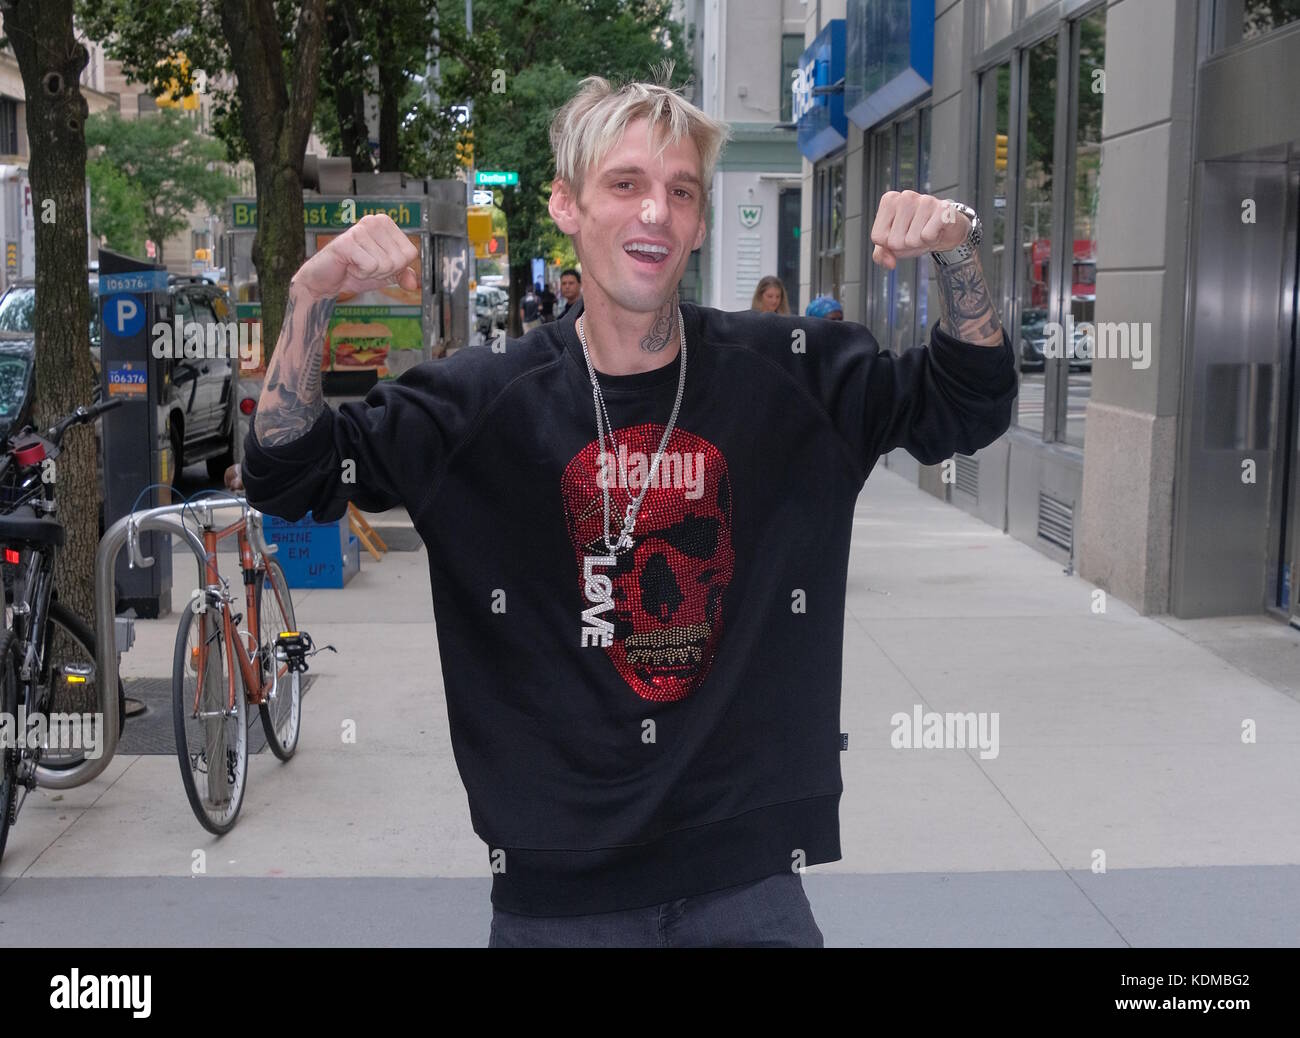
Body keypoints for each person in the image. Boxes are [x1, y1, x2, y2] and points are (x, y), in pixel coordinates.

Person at [240, 64, 1015, 948]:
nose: (656, 211)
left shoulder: (789, 376)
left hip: (747, 889)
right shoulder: (481, 405)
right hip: (557, 904)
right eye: (626, 184)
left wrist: (958, 250)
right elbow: (287, 477)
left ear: (700, 220)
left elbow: (971, 401)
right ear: (566, 206)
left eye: (681, 190)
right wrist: (312, 300)